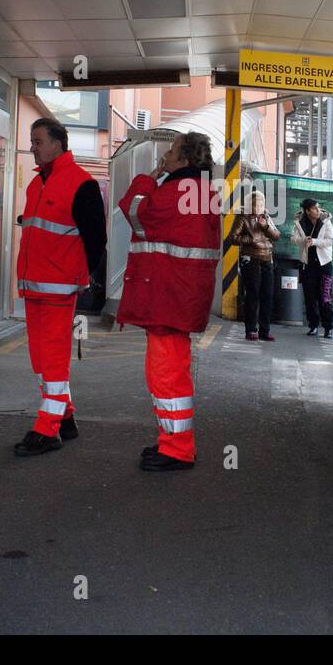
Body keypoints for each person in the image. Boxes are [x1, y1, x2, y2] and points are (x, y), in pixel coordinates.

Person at [116, 132, 221, 471]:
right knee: (171, 372)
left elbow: (132, 211)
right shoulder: (205, 194)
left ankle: (177, 448)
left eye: (172, 151)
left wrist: (151, 175)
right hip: (179, 296)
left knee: (166, 375)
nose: (166, 154)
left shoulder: (174, 192)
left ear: (185, 159)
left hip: (165, 296)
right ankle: (173, 442)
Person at [12, 117, 106, 457]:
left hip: (59, 287)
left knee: (52, 359)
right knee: (39, 358)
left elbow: (97, 240)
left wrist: (81, 277)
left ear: (58, 143)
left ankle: (47, 428)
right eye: (32, 141)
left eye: (38, 141)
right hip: (35, 287)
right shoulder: (36, 185)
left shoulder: (82, 183)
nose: (33, 147)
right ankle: (63, 417)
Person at [230, 189, 279, 341]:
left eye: (261, 203)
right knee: (253, 295)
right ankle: (251, 330)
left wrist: (265, 226)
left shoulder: (266, 217)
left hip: (267, 259)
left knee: (267, 296)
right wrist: (251, 240)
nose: (259, 206)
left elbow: (276, 235)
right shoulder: (243, 217)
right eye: (256, 203)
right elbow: (233, 238)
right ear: (250, 204)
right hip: (250, 259)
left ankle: (265, 331)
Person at [291, 198, 333, 338]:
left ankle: (328, 327)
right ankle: (313, 325)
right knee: (310, 297)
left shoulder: (326, 221)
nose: (318, 210)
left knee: (325, 296)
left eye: (318, 207)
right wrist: (304, 240)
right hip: (307, 263)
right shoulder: (299, 222)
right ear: (307, 211)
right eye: (315, 208)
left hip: (324, 264)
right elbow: (293, 239)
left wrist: (314, 242)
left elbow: (331, 240)